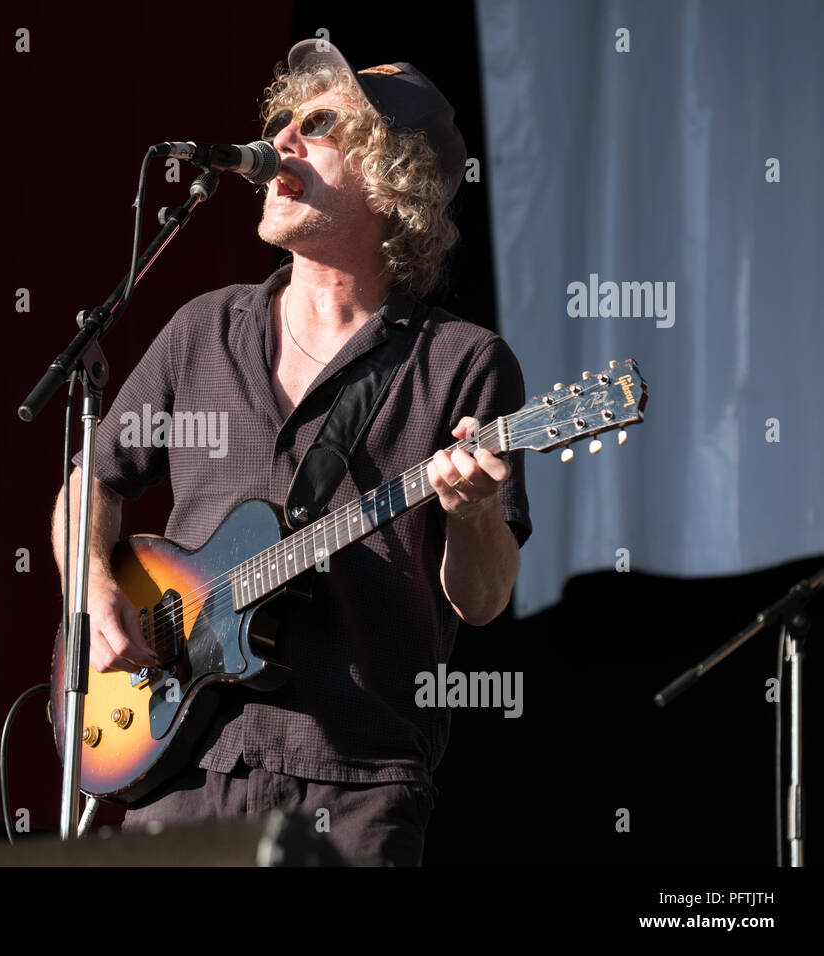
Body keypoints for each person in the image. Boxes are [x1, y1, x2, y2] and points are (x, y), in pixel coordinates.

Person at [50, 39, 531, 865]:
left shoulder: (464, 363)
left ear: (394, 179)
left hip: (355, 781)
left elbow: (481, 601)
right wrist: (91, 597)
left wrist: (475, 510)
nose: (281, 141)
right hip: (180, 766)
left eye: (317, 125)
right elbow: (89, 482)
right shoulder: (206, 328)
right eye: (280, 121)